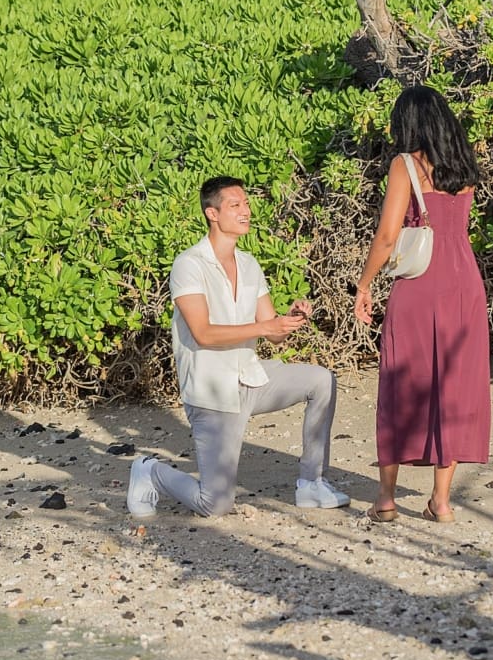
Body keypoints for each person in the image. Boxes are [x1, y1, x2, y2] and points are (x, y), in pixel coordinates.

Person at [127, 175, 350, 518]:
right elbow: (203, 333)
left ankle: (312, 484)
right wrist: (265, 326)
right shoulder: (189, 264)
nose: (246, 210)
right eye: (235, 205)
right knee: (214, 504)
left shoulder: (249, 264)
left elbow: (272, 333)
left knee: (321, 380)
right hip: (213, 395)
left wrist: (289, 319)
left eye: (246, 203)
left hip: (252, 380)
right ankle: (149, 471)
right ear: (212, 213)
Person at [354, 86, 491, 523]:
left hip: (419, 284)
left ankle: (387, 499)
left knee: (401, 379)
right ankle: (442, 502)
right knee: (454, 384)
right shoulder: (464, 165)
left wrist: (364, 282)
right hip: (465, 281)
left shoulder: (405, 164)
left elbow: (388, 235)